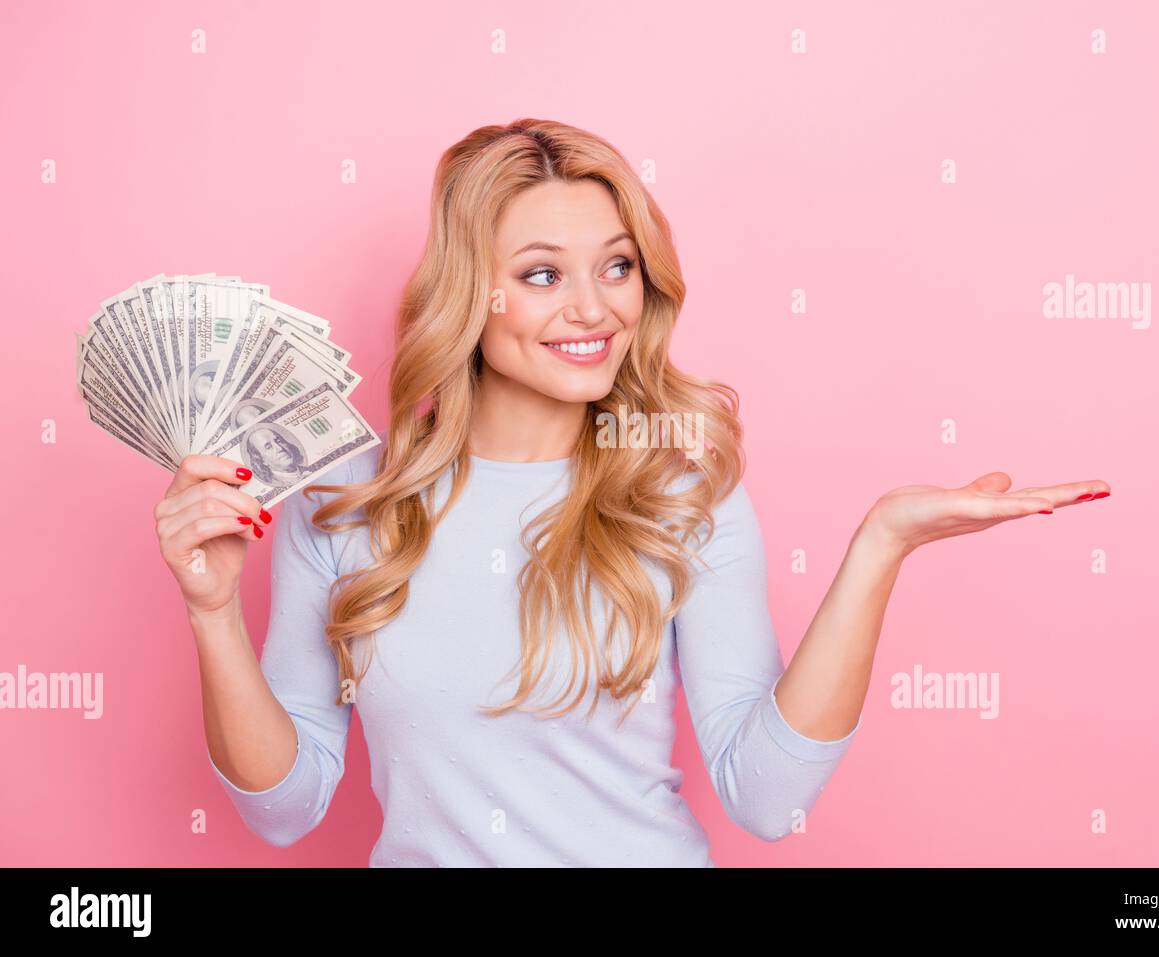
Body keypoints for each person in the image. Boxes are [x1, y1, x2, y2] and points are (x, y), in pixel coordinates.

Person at [151, 118, 1110, 867]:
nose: (595, 308)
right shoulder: (349, 502)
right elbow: (283, 810)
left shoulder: (679, 493)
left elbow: (766, 798)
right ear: (464, 294)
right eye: (541, 275)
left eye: (617, 266)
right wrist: (211, 614)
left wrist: (879, 547)